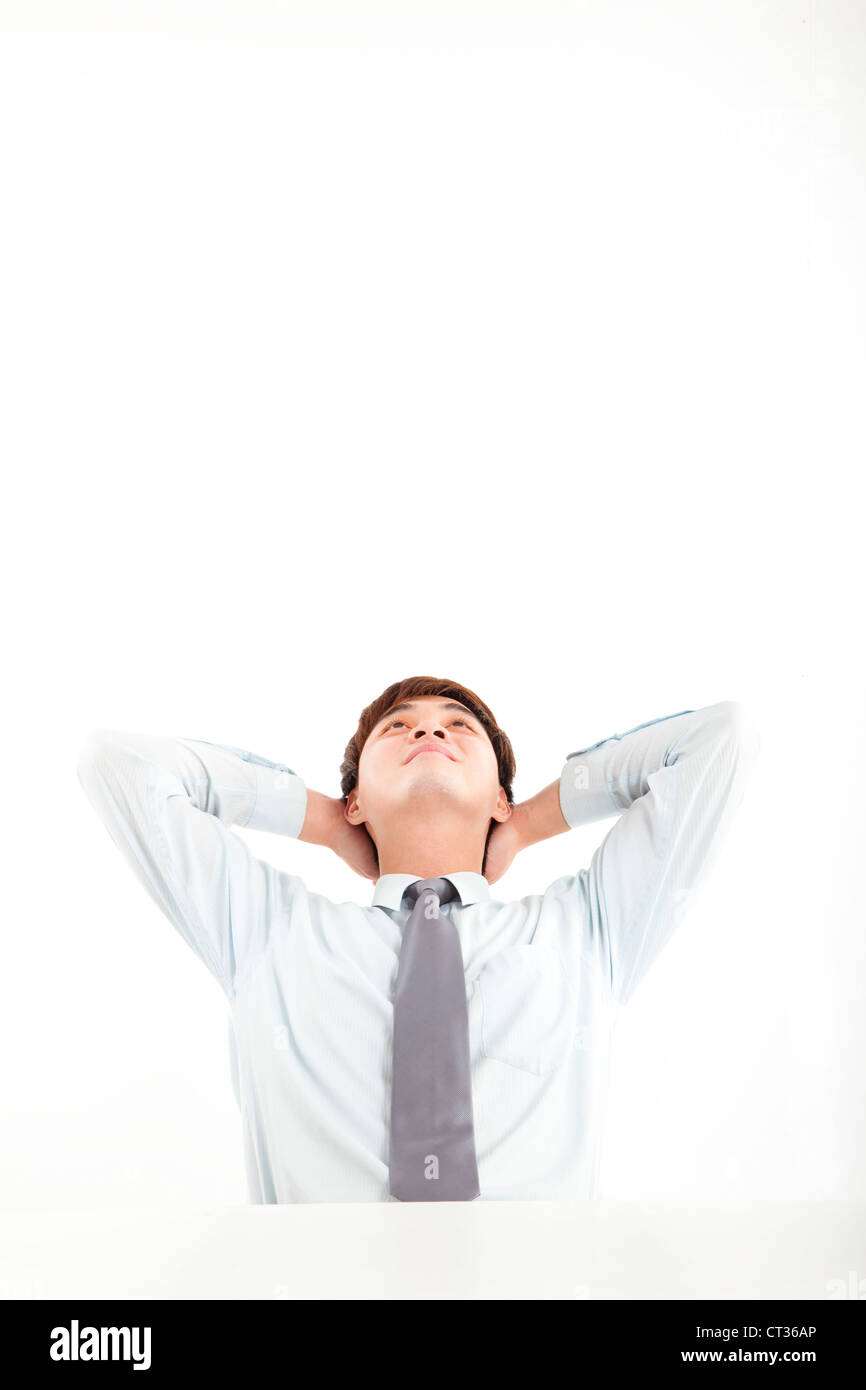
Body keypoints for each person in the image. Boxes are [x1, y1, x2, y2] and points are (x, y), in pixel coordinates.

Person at [76, 675, 759, 1202]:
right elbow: (118, 765)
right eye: (398, 727)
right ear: (355, 800)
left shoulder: (588, 929)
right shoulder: (267, 932)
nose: (429, 732)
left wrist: (527, 824)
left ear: (499, 794)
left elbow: (717, 741)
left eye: (458, 726)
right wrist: (323, 822)